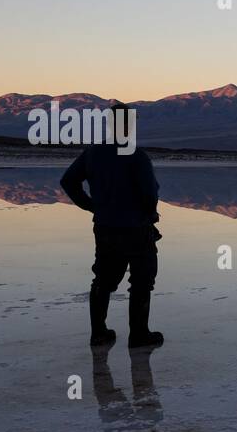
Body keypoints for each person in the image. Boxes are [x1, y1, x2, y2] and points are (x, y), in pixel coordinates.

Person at [60, 103, 165, 349]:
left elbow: (68, 181)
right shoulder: (135, 155)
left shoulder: (94, 153)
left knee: (103, 280)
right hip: (137, 229)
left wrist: (92, 206)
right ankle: (139, 335)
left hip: (106, 228)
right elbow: (149, 193)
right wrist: (150, 214)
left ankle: (99, 333)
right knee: (141, 280)